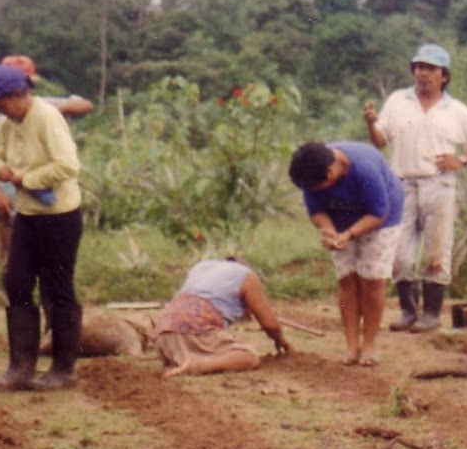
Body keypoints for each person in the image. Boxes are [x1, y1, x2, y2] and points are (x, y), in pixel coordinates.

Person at [364, 43, 467, 333]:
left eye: (430, 69)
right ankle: (408, 311)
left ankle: (432, 314)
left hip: (439, 183)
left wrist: (461, 159)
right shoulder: (398, 101)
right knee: (399, 253)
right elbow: (380, 140)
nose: (423, 74)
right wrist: (372, 123)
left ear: (444, 76)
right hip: (402, 183)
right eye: (419, 67)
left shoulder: (455, 109)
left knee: (437, 250)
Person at [0, 62, 85, 392]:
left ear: (20, 93)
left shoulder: (46, 117)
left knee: (57, 287)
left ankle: (63, 370)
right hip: (28, 213)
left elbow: (68, 165)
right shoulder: (11, 121)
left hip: (60, 216)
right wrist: (2, 169)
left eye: (1, 100)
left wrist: (26, 178)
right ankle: (20, 368)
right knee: (17, 282)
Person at [288, 141, 405, 366]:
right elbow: (317, 212)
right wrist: (330, 232)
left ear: (331, 172)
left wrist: (349, 234)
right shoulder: (311, 175)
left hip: (382, 220)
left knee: (372, 280)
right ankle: (352, 346)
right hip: (340, 219)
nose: (314, 192)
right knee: (346, 280)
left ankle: (369, 346)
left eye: (319, 187)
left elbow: (378, 213)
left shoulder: (364, 167)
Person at [0, 55, 93, 275]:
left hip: (52, 204)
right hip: (12, 201)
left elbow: (86, 105)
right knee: (14, 271)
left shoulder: (46, 111)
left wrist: (60, 110)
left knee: (53, 277)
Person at [154, 258, 292, 378]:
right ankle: (198, 365)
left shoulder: (203, 267)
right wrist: (281, 340)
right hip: (192, 329)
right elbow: (270, 325)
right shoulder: (247, 275)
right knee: (249, 356)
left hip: (163, 334)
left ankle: (183, 360)